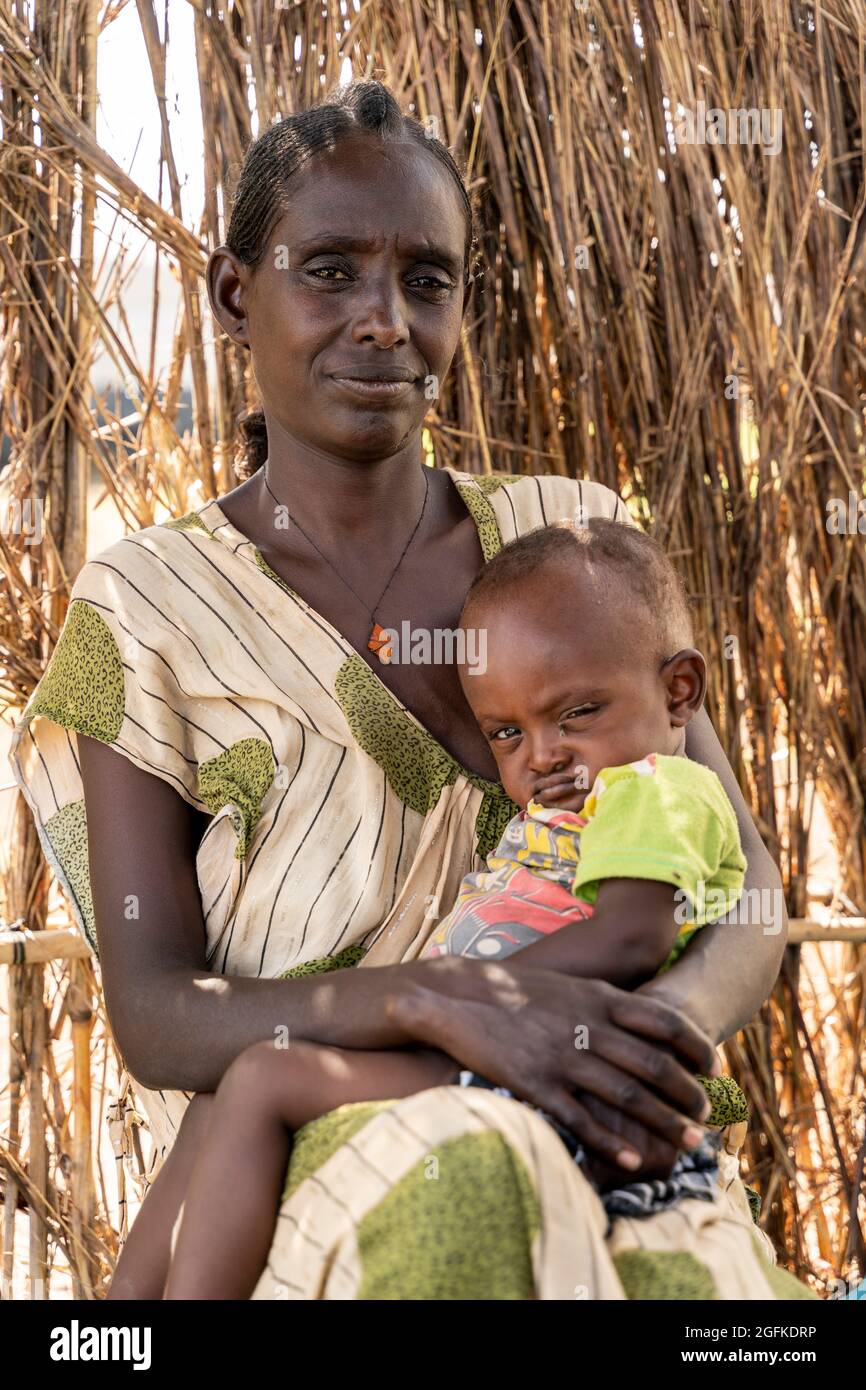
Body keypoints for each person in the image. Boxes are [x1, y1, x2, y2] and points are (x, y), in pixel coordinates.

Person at [9, 79, 812, 1299]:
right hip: (305, 1163)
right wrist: (443, 1000)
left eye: (425, 281)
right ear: (237, 292)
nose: (382, 319)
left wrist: (659, 1029)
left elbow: (740, 878)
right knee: (470, 1197)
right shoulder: (148, 609)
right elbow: (158, 1013)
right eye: (328, 269)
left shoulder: (576, 546)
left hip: (613, 1108)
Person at [106, 517, 765, 1300]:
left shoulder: (658, 788)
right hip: (484, 1042)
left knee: (259, 1085)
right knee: (221, 1096)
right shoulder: (571, 805)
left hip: (543, 1059)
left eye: (577, 714)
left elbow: (630, 937)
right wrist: (456, 1005)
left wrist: (461, 996)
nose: (543, 754)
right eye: (507, 734)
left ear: (679, 689)